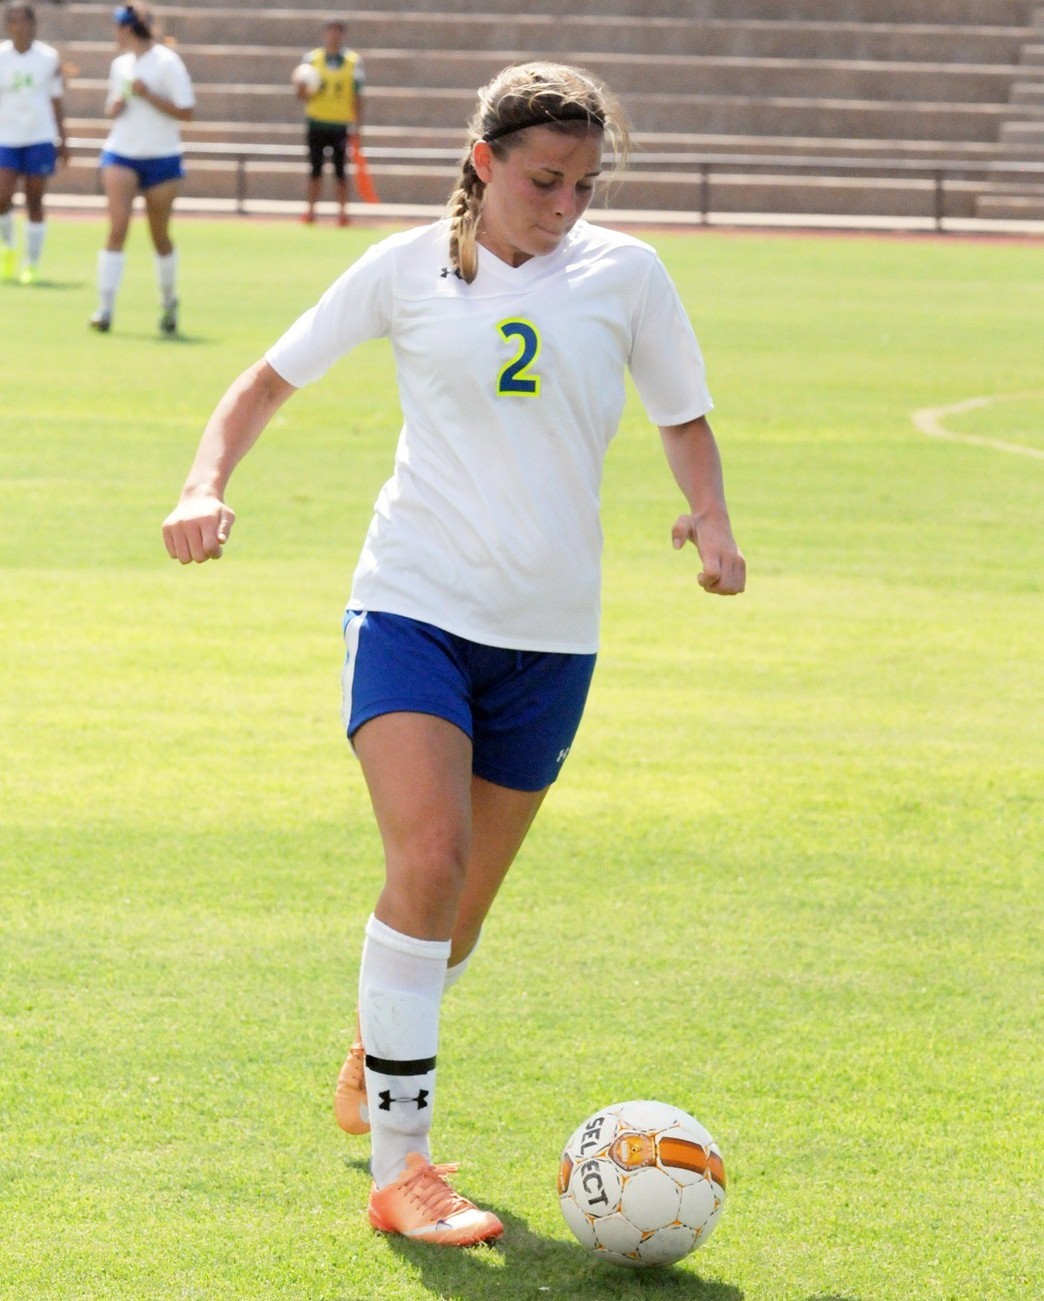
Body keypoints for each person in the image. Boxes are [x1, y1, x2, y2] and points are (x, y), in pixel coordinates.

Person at [162, 61, 745, 1247]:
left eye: (585, 183)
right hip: (412, 604)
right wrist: (202, 482)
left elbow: (683, 412)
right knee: (427, 860)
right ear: (482, 163)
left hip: (552, 635)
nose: (567, 203)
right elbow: (263, 382)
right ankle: (403, 1165)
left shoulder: (628, 273)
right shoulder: (402, 269)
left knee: (458, 919)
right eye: (544, 180)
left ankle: (382, 1041)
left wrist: (712, 513)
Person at [90, 4, 193, 334]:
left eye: (117, 28)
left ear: (128, 29)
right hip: (122, 152)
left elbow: (186, 111)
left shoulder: (166, 62)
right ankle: (105, 308)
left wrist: (148, 96)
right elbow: (112, 107)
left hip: (161, 156)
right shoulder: (121, 65)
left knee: (159, 236)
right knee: (117, 227)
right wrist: (116, 107)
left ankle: (168, 302)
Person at [0, 2, 67, 284]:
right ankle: (7, 249)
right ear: (7, 26)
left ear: (33, 24)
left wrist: (64, 136)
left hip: (39, 136)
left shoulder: (48, 58)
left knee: (34, 199)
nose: (19, 27)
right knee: (2, 196)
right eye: (13, 21)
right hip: (6, 136)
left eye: (24, 21)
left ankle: (33, 262)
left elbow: (55, 99)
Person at [294, 18, 364, 226]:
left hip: (340, 123)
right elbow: (300, 93)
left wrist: (357, 125)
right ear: (325, 34)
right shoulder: (311, 60)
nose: (334, 36)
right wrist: (302, 89)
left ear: (342, 35)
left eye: (338, 32)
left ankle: (342, 213)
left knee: (340, 171)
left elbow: (357, 95)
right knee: (315, 169)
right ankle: (310, 211)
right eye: (331, 31)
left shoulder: (353, 62)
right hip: (317, 121)